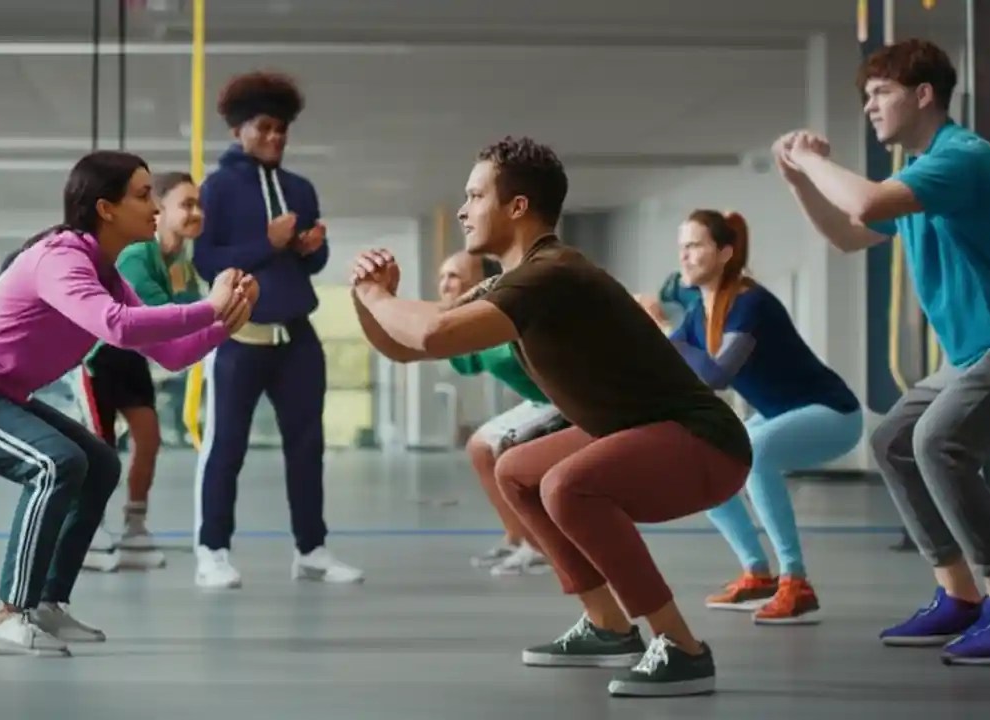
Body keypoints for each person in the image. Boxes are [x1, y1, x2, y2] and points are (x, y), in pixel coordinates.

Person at [350, 136, 752, 698]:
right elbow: (408, 345)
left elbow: (429, 332)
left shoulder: (551, 274)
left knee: (567, 484)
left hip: (704, 440)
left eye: (474, 196)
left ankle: (682, 647)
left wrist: (375, 296)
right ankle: (608, 625)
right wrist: (364, 298)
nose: (463, 210)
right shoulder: (510, 282)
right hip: (639, 431)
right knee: (517, 470)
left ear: (517, 207)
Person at [775, 38, 990, 665]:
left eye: (880, 92)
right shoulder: (915, 177)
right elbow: (845, 233)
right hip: (975, 354)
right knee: (893, 439)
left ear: (924, 95)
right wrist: (797, 181)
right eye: (865, 96)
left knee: (935, 442)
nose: (869, 106)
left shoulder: (962, 159)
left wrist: (810, 161)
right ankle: (959, 598)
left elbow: (860, 202)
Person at [0, 150, 257, 657]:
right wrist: (208, 307)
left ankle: (44, 603)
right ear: (106, 208)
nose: (156, 207)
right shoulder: (60, 256)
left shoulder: (107, 274)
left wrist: (224, 323)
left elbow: (170, 355)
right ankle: (6, 616)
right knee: (55, 463)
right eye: (143, 194)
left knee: (99, 463)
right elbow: (116, 326)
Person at [191, 70, 361, 590]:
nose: (274, 138)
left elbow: (311, 263)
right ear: (239, 130)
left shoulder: (299, 189)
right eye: (264, 127)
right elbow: (205, 261)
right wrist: (267, 241)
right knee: (227, 448)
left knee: (308, 447)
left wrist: (312, 249)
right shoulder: (216, 189)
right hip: (240, 340)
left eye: (282, 129)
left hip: (298, 340)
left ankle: (311, 550)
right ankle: (212, 551)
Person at [654, 209, 862, 624]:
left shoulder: (752, 303)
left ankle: (795, 582)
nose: (685, 257)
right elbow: (664, 357)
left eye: (694, 246)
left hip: (832, 413)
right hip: (780, 414)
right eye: (682, 248)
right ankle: (757, 573)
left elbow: (717, 374)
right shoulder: (700, 313)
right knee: (704, 462)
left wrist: (660, 328)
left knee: (757, 451)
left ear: (725, 252)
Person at [78, 171, 205, 572]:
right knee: (101, 451)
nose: (196, 213)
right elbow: (158, 315)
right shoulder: (136, 254)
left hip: (132, 358)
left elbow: (189, 309)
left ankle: (135, 527)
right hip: (98, 358)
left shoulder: (180, 262)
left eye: (199, 205)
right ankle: (87, 531)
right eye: (186, 204)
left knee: (148, 439)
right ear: (161, 210)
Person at [437, 251, 560, 577]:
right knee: (479, 447)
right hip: (540, 401)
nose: (444, 285)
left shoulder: (508, 314)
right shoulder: (473, 324)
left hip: (568, 399)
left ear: (481, 284)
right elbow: (467, 365)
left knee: (506, 454)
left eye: (453, 277)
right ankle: (516, 536)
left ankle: (539, 549)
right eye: (442, 277)